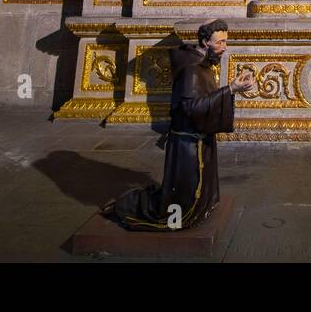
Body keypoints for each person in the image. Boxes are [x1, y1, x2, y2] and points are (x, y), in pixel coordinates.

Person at [106, 20, 256, 230]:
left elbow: (203, 99)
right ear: (205, 41)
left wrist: (233, 90)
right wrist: (230, 89)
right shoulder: (192, 70)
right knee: (183, 196)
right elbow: (193, 108)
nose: (224, 47)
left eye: (225, 42)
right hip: (188, 143)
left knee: (195, 190)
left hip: (197, 138)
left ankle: (199, 208)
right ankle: (128, 205)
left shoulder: (202, 62)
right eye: (220, 42)